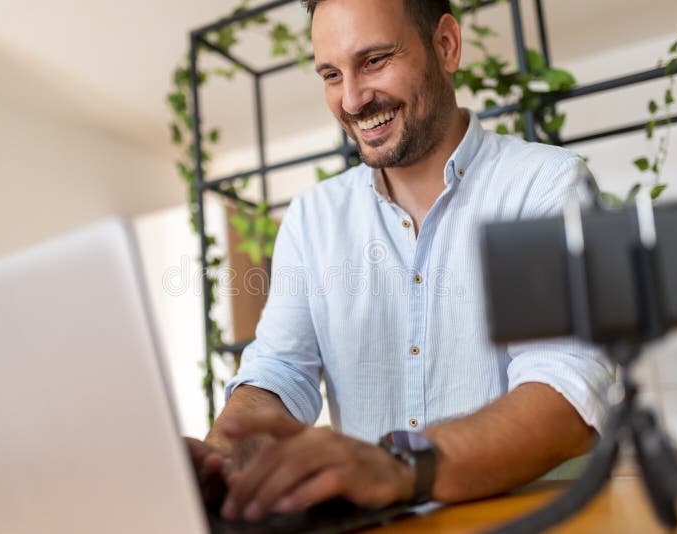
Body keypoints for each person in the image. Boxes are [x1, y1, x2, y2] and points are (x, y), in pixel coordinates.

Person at [187, 0, 615, 522]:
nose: (352, 99)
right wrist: (226, 452)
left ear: (446, 46)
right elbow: (279, 369)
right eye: (330, 74)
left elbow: (566, 391)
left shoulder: (543, 185)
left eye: (374, 61)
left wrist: (401, 465)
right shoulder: (312, 217)